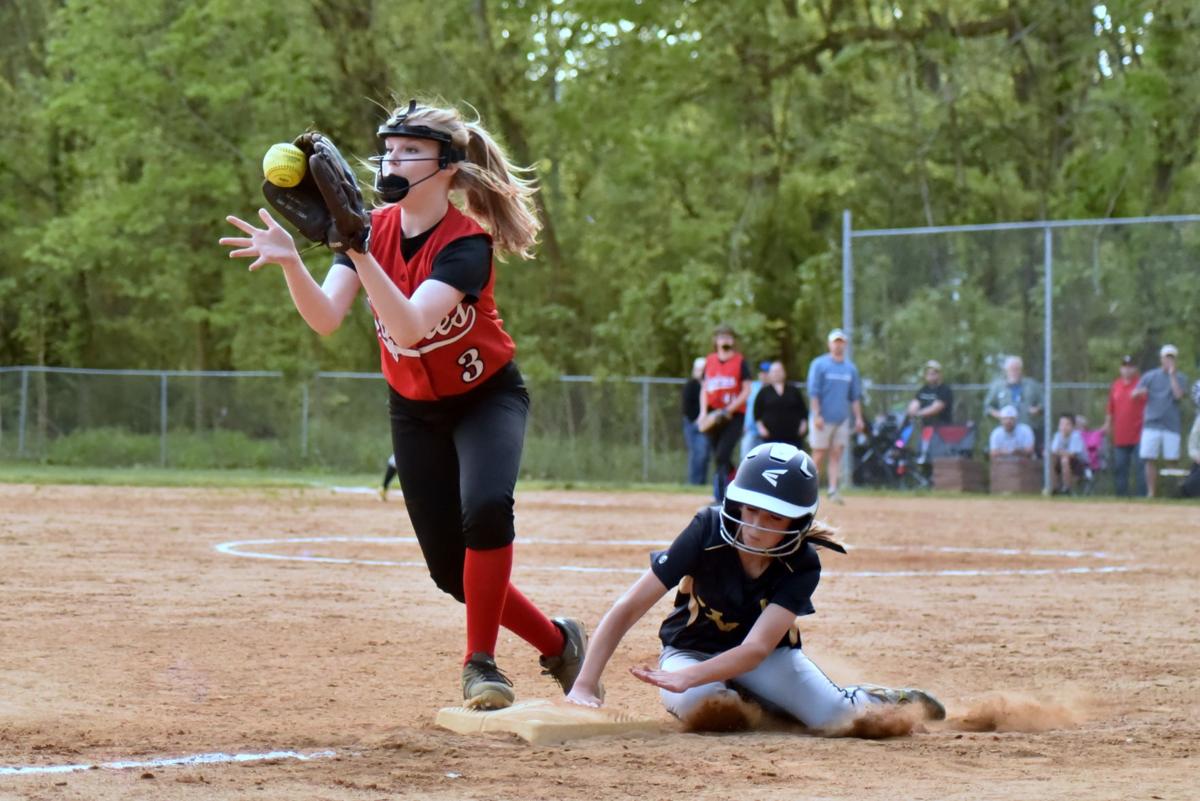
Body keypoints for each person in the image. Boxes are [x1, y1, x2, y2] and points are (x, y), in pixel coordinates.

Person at [220, 99, 587, 711]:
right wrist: (292, 263)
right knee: (449, 571)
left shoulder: (465, 243)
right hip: (414, 409)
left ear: (446, 167)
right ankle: (557, 642)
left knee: (487, 509)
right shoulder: (369, 230)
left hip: (486, 399)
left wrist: (359, 249)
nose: (393, 159)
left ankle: (481, 665)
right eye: (388, 149)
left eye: (410, 151)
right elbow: (327, 319)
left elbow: (413, 326)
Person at [563, 443, 945, 731]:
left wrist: (686, 678)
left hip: (764, 658)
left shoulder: (803, 562)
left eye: (774, 516)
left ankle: (874, 697)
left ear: (797, 522)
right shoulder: (706, 530)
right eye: (749, 508)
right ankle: (758, 699)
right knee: (705, 709)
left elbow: (756, 648)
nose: (756, 525)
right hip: (692, 650)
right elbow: (629, 606)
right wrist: (584, 684)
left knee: (833, 718)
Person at [806, 329, 864, 503]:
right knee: (818, 454)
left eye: (841, 342)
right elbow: (814, 392)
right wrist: (817, 415)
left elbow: (854, 396)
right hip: (822, 419)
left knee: (836, 454)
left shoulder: (850, 369)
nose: (838, 345)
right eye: (835, 341)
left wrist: (858, 418)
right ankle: (807, 490)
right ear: (829, 344)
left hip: (841, 420)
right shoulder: (819, 364)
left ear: (844, 344)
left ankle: (832, 490)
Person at [699, 324, 753, 502]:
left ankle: (720, 497)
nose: (725, 340)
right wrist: (703, 413)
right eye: (722, 337)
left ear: (733, 341)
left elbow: (746, 391)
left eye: (729, 337)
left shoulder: (740, 361)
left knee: (722, 454)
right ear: (716, 341)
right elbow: (705, 389)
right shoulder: (710, 360)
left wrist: (729, 410)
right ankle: (738, 483)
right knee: (720, 457)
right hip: (714, 415)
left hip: (734, 415)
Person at [1133, 344, 1189, 498]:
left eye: (1171, 357)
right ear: (1161, 358)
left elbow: (1178, 395)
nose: (1169, 360)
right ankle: (1151, 493)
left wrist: (1172, 376)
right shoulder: (1150, 376)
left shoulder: (1181, 377)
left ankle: (1172, 493)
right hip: (1152, 423)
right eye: (1166, 357)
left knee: (1171, 459)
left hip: (1171, 425)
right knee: (1149, 459)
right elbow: (1134, 394)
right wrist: (1140, 392)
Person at [1102, 355, 1147, 497]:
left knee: (1140, 468)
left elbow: (1149, 407)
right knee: (1120, 468)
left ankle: (1142, 497)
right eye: (1124, 367)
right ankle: (1121, 497)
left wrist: (1141, 393)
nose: (1127, 370)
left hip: (1139, 434)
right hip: (1120, 436)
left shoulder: (1141, 384)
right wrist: (1107, 425)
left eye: (1130, 367)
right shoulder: (1116, 385)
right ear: (1121, 369)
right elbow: (1110, 408)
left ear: (1135, 369)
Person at [983, 356, 1044, 443]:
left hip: (1028, 430)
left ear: (1021, 370)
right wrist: (999, 414)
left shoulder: (1032, 385)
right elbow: (987, 407)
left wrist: (1037, 409)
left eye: (1017, 369)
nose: (1014, 372)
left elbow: (1044, 404)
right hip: (1005, 433)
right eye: (1011, 369)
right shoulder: (998, 387)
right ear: (1006, 371)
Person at [753, 361, 808, 449]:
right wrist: (761, 428)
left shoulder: (793, 390)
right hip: (770, 437)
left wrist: (803, 425)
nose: (777, 374)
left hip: (793, 436)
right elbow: (757, 413)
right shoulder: (763, 392)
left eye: (779, 371)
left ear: (784, 372)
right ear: (770, 374)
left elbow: (803, 410)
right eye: (774, 371)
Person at [681, 356, 710, 486]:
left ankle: (700, 482)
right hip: (692, 424)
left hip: (707, 424)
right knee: (697, 453)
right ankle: (694, 483)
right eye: (698, 370)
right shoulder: (690, 386)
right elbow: (686, 408)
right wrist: (697, 420)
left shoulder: (710, 387)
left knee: (704, 454)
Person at [1048, 413, 1086, 495]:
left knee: (1064, 460)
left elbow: (1072, 454)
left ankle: (1067, 489)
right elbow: (1053, 451)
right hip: (1062, 462)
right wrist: (1061, 453)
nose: (1064, 427)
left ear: (1073, 426)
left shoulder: (1076, 436)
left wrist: (1060, 452)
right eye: (1061, 424)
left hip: (1078, 465)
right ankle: (1054, 488)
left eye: (1067, 424)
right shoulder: (1057, 435)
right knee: (1051, 459)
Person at [741, 361, 772, 460]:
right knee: (745, 461)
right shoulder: (752, 387)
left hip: (768, 433)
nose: (764, 375)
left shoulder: (774, 390)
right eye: (762, 372)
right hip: (750, 431)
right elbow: (743, 405)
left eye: (767, 372)